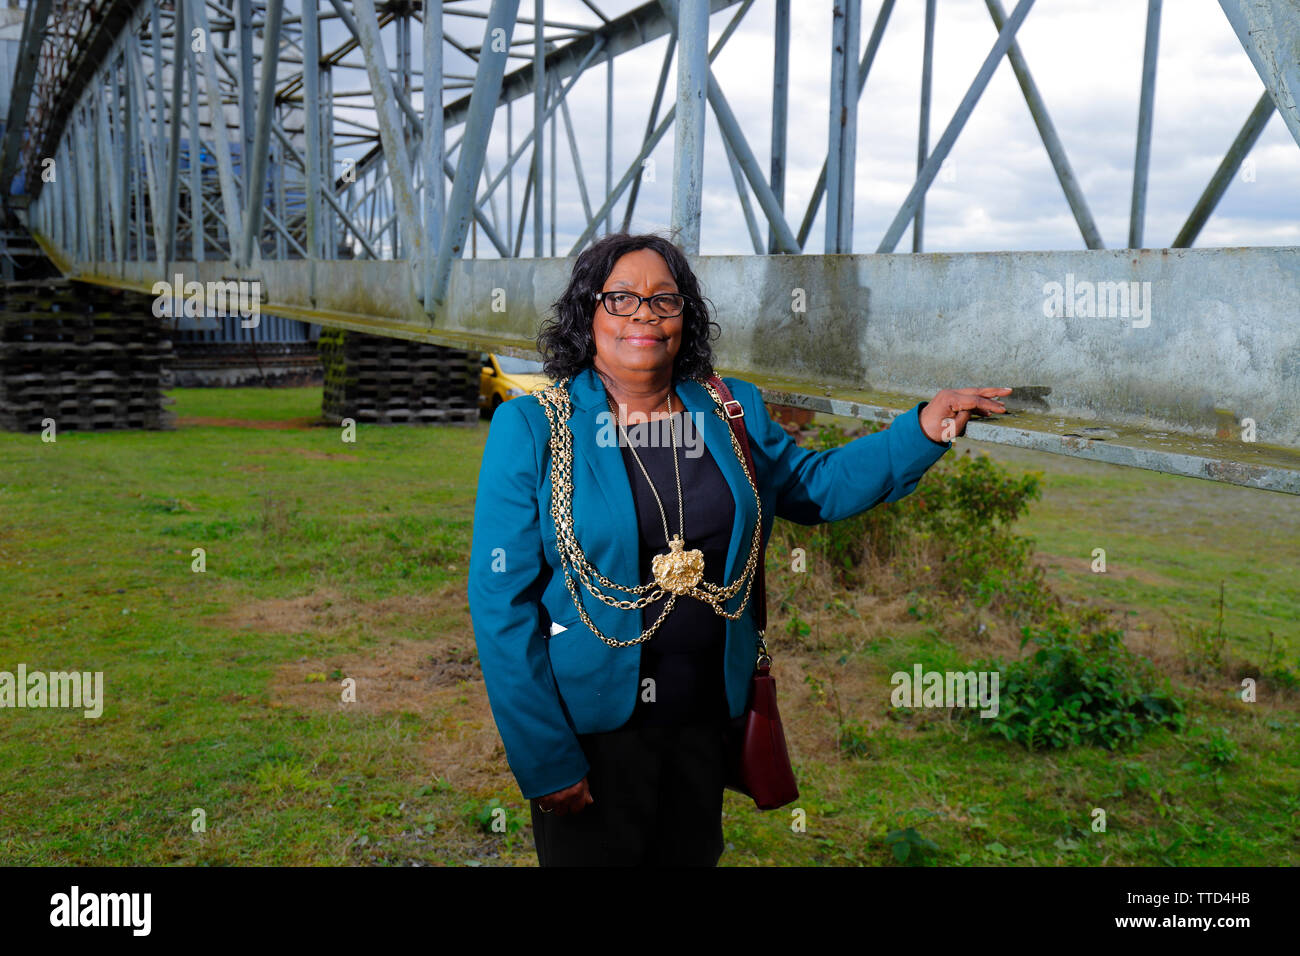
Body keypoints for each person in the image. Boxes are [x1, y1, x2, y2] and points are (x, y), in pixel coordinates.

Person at [466, 232, 1011, 866]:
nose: (644, 313)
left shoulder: (730, 411)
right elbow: (501, 603)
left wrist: (924, 428)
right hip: (592, 733)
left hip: (704, 718)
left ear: (686, 317)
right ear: (588, 313)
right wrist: (544, 755)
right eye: (620, 298)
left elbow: (815, 487)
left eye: (664, 300)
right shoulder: (531, 427)